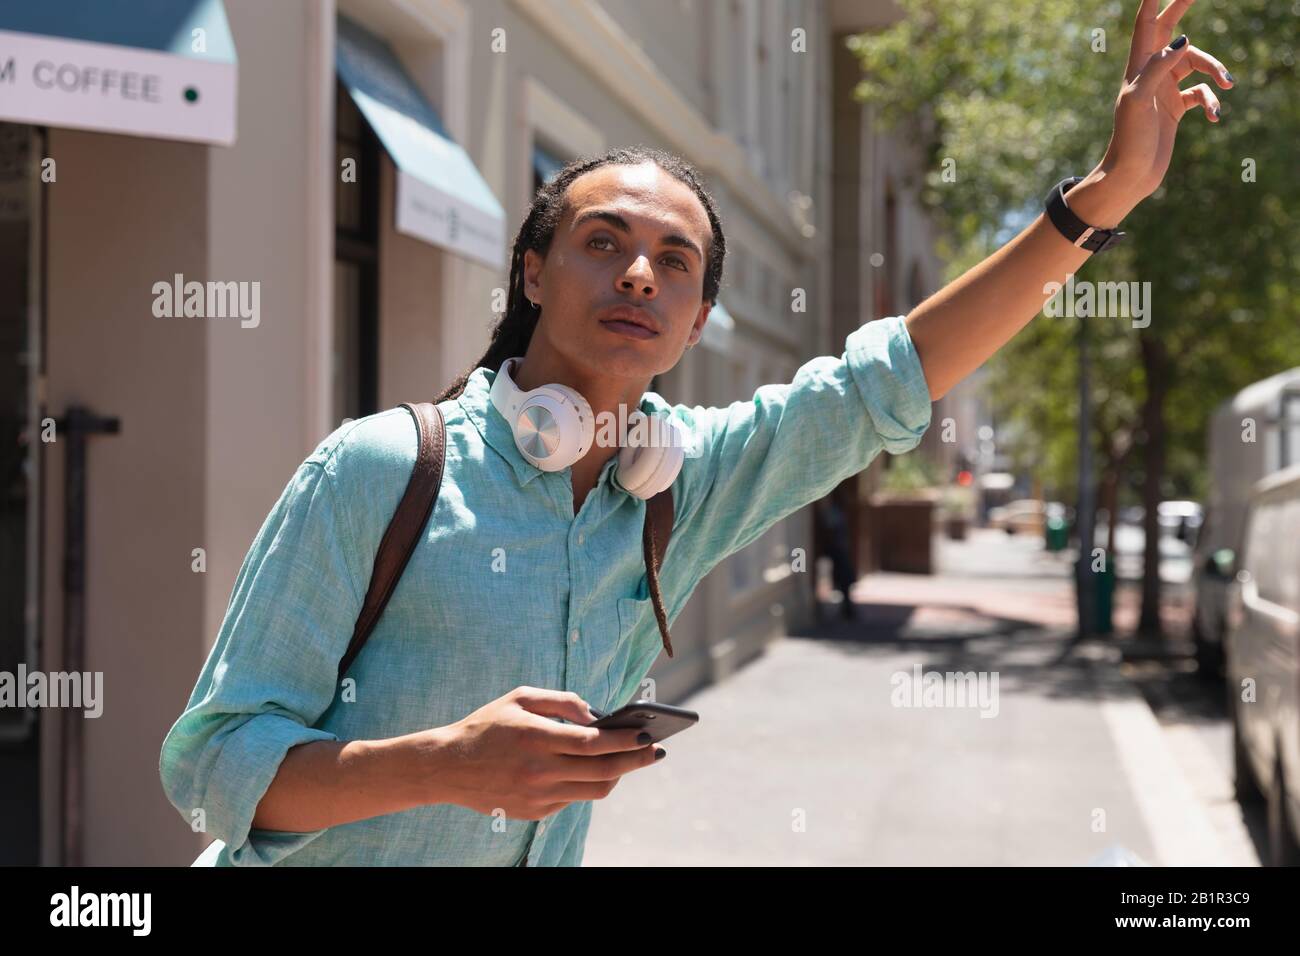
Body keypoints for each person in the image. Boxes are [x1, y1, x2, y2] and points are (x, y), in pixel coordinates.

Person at [159, 1, 1230, 865]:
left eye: (675, 261)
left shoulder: (684, 480)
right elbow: (211, 765)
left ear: (697, 319)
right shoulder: (380, 467)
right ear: (533, 274)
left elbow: (882, 378)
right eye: (603, 242)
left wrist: (1106, 194)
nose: (639, 272)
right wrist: (444, 762)